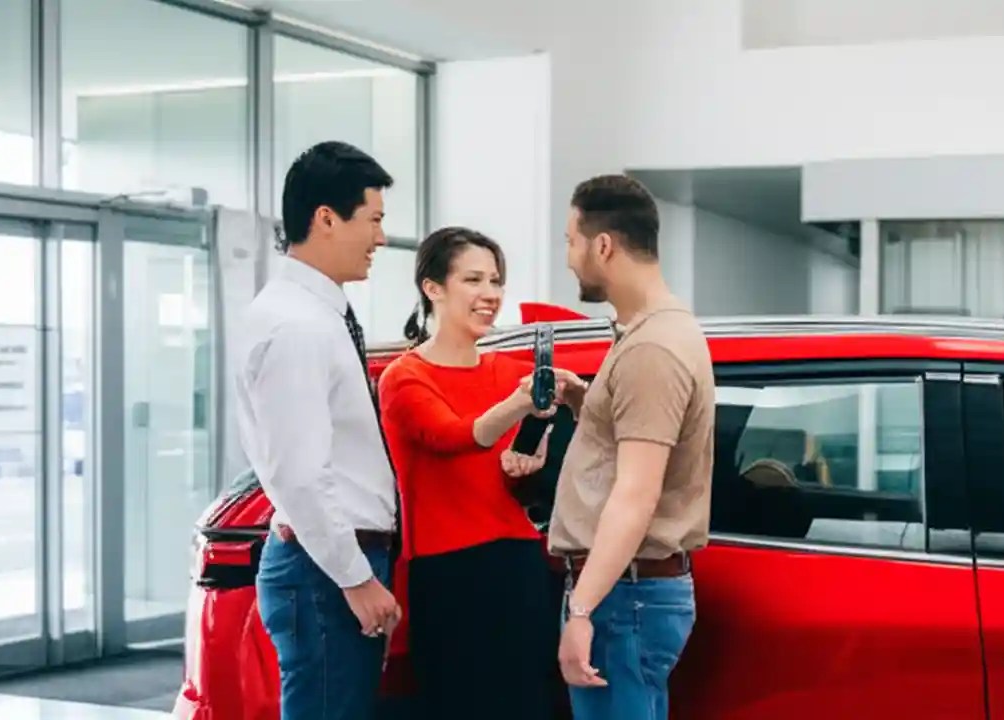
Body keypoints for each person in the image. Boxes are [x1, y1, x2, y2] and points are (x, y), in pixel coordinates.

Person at [376, 226, 587, 720]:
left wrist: (533, 460)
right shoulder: (405, 377)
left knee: (526, 705)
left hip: (518, 563)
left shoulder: (507, 370)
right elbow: (455, 437)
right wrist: (518, 405)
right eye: (473, 280)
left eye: (495, 281)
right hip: (446, 572)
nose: (490, 295)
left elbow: (524, 471)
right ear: (433, 287)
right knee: (457, 704)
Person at [237, 140, 402, 719]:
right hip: (327, 572)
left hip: (328, 565)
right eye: (374, 219)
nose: (381, 238)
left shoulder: (315, 315)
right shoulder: (298, 326)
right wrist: (356, 578)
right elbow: (298, 473)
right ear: (326, 219)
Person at [548, 174, 716, 720]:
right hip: (627, 595)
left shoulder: (653, 350)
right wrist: (587, 406)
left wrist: (582, 609)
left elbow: (636, 495)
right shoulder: (656, 332)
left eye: (571, 242)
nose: (569, 258)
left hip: (624, 598)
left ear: (603, 245)